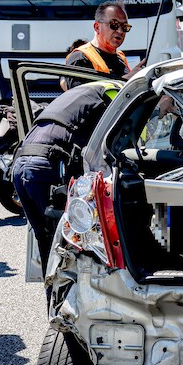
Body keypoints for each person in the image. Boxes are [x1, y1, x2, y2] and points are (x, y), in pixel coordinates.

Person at [12, 81, 121, 268]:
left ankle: (51, 285)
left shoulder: (77, 98)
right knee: (63, 236)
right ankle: (65, 284)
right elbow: (105, 148)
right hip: (45, 166)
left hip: (20, 164)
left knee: (44, 235)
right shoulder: (112, 96)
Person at [63, 1, 139, 89]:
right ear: (97, 27)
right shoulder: (80, 58)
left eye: (124, 26)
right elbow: (82, 95)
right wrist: (125, 81)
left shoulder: (121, 57)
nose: (120, 31)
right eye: (114, 24)